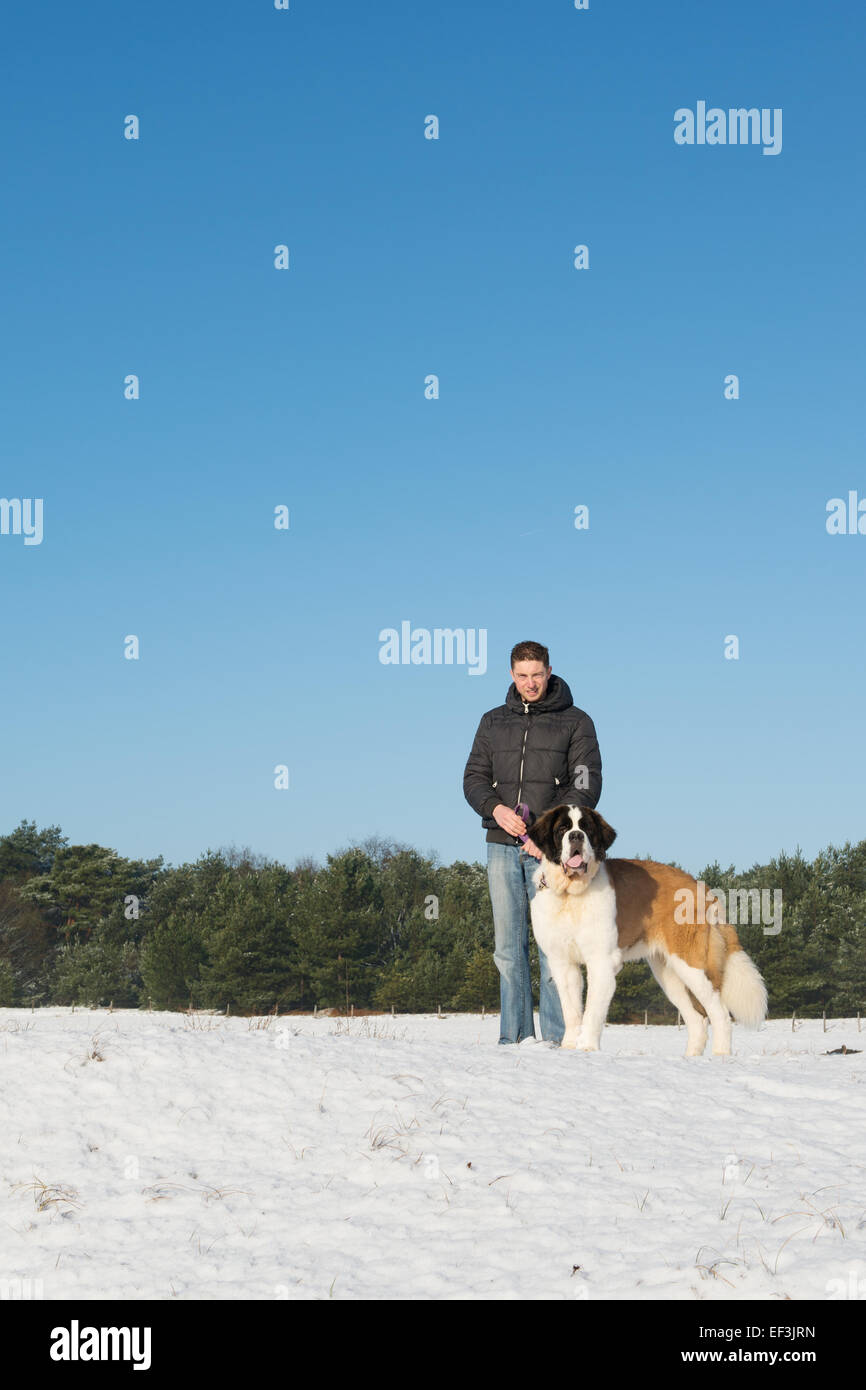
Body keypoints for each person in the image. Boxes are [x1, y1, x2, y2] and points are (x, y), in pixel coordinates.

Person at [463, 641, 602, 1044]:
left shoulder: (577, 722)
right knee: (508, 951)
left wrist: (545, 834)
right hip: (500, 847)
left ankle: (560, 1042)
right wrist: (495, 808)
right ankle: (514, 1041)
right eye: (522, 676)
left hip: (551, 856)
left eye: (537, 674)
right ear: (511, 675)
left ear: (549, 670)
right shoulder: (492, 722)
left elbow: (585, 785)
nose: (530, 683)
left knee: (555, 949)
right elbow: (473, 778)